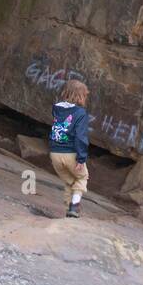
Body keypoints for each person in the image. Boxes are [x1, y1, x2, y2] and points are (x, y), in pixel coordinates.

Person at [48, 79, 91, 218]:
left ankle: (69, 209)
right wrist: (81, 158)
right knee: (82, 177)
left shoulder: (56, 108)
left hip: (54, 153)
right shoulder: (80, 113)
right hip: (70, 153)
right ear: (81, 96)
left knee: (69, 181)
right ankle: (74, 205)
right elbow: (80, 137)